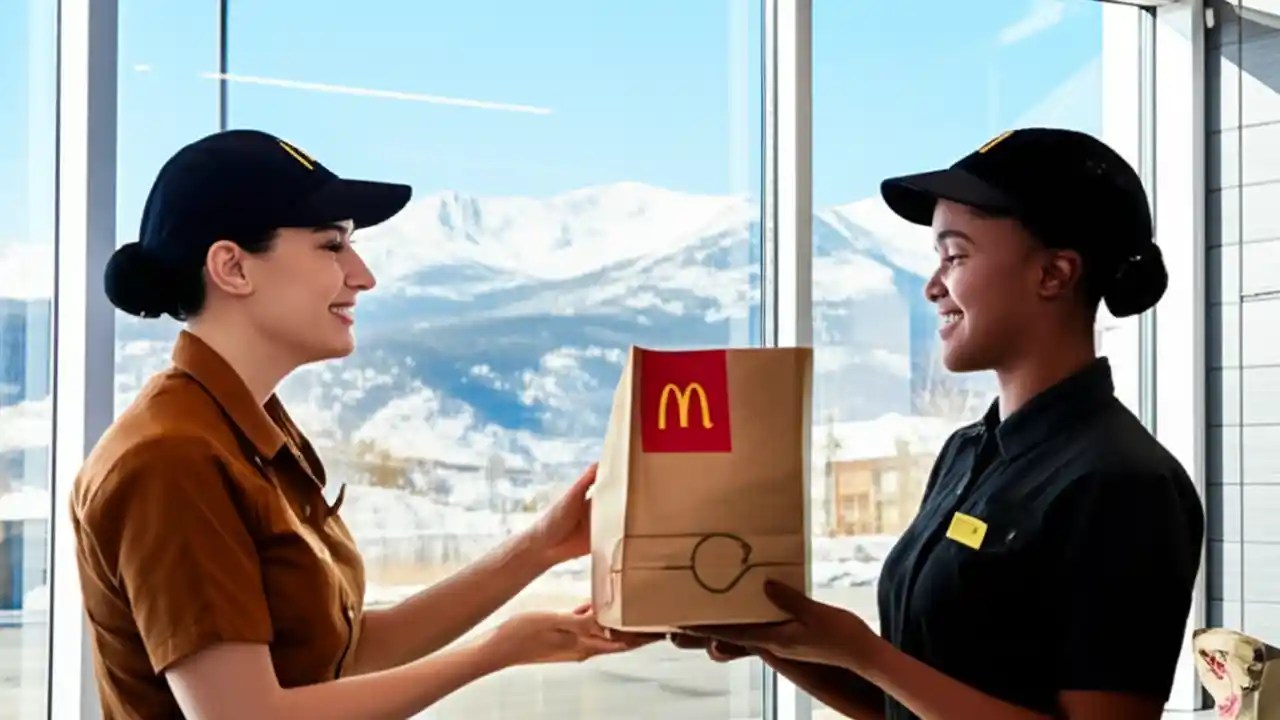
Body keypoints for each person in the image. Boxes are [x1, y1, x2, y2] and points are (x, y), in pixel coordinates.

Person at [71, 129, 650, 720]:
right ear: (233, 267)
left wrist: (543, 547)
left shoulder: (240, 431)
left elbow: (345, 653)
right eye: (331, 246)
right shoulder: (172, 460)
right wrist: (495, 652)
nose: (363, 274)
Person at [674, 128, 1206, 719]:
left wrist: (865, 652)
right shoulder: (967, 453)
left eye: (954, 256)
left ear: (1054, 274)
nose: (932, 288)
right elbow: (903, 707)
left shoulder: (1124, 483)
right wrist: (777, 642)